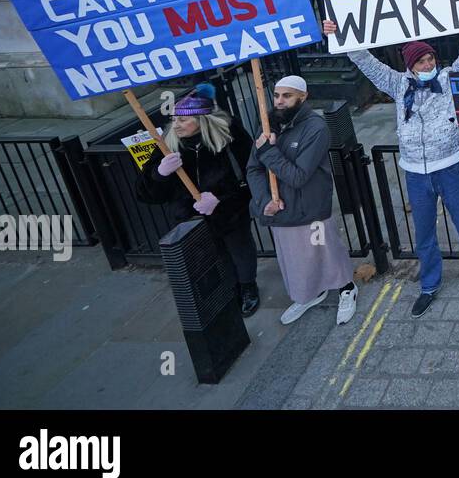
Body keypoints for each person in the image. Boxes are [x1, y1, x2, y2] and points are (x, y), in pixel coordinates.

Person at [323, 18, 459, 318]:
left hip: (451, 167)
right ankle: (429, 285)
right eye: (421, 61)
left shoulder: (448, 78)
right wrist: (342, 34)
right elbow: (366, 62)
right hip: (415, 172)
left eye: (430, 59)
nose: (428, 65)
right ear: (410, 66)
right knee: (424, 234)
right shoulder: (397, 84)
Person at [136, 83, 260, 317]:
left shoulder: (230, 137)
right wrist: (159, 173)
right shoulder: (167, 144)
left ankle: (248, 287)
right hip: (190, 218)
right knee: (212, 257)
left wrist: (221, 201)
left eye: (182, 120)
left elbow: (252, 175)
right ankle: (228, 288)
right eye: (174, 119)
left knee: (240, 250)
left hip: (230, 214)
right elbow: (145, 193)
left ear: (202, 120)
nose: (176, 125)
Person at [247, 75, 358, 326]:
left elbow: (298, 176)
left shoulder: (316, 128)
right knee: (294, 259)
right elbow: (253, 169)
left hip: (310, 207)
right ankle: (309, 294)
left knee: (326, 252)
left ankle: (346, 288)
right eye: (276, 96)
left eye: (287, 96)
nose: (279, 101)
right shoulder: (267, 125)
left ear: (302, 97)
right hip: (278, 209)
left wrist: (268, 151)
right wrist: (265, 200)